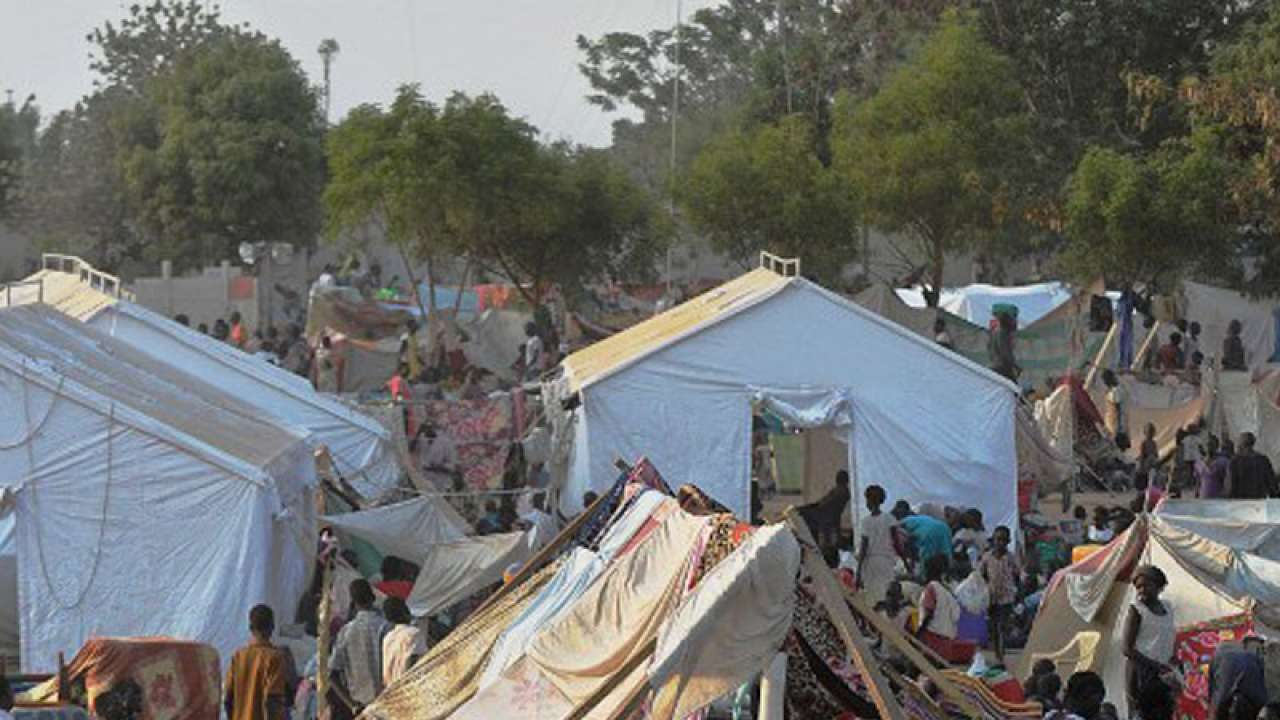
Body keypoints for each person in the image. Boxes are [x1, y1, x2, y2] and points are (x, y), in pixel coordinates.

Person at [330, 579, 391, 718]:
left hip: (361, 707)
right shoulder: (385, 627)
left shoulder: (345, 632)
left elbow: (332, 674)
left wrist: (351, 705)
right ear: (373, 597)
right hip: (386, 703)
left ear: (354, 603)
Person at [1123, 565, 1177, 720]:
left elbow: (1169, 636)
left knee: (1165, 712)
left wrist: (1173, 659)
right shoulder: (1136, 610)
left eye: (1146, 585)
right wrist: (1156, 666)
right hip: (1141, 674)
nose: (1141, 590)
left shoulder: (1168, 607)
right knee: (1143, 714)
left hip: (1163, 674)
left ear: (1159, 586)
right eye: (1138, 586)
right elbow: (1127, 648)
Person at [224, 604, 290, 720]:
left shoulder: (238, 656)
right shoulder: (275, 657)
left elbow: (227, 698)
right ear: (272, 627)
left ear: (250, 627)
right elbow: (272, 700)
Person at [980, 526, 1020, 662]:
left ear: (1008, 541)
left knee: (1002, 625)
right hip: (992, 597)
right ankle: (997, 652)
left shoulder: (1010, 558)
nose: (1000, 543)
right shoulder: (987, 557)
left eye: (1003, 540)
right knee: (994, 625)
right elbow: (982, 574)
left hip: (1006, 597)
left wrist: (1018, 594)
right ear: (994, 540)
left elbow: (1017, 575)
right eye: (998, 539)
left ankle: (1001, 655)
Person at [855, 484, 899, 605]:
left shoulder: (866, 522)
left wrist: (858, 571)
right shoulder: (890, 519)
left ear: (869, 501)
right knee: (886, 595)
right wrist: (905, 562)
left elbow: (863, 548)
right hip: (886, 562)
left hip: (870, 564)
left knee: (872, 598)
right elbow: (897, 544)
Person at [1209, 635, 1268, 720]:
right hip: (1226, 667)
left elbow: (1213, 691)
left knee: (1219, 704)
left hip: (1223, 665)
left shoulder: (1221, 653)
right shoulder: (1255, 657)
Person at [916, 554, 963, 659]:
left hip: (932, 640)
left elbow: (928, 614)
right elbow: (956, 616)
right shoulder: (948, 591)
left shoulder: (931, 588)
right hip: (947, 642)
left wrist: (919, 634)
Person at [799, 471, 852, 551]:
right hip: (829, 516)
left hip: (826, 516)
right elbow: (824, 501)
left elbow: (825, 503)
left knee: (805, 514)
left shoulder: (840, 491)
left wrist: (813, 506)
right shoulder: (842, 491)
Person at [896, 504, 954, 575]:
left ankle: (924, 579)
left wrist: (908, 565)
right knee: (946, 555)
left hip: (929, 533)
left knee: (926, 561)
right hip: (945, 527)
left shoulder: (900, 523)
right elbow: (911, 544)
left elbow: (904, 544)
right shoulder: (921, 518)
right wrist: (912, 562)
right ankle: (948, 576)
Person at [381, 597, 426, 687]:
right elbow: (416, 664)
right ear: (407, 611)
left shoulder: (387, 638)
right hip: (408, 687)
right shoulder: (414, 633)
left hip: (391, 689)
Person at [1228, 432, 1278, 499]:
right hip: (1259, 502)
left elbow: (1231, 486)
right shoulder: (1263, 460)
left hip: (1239, 503)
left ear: (1241, 445)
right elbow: (1272, 484)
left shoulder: (1235, 461)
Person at [411, 424, 457, 492]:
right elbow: (411, 449)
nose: (426, 433)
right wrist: (419, 432)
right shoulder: (422, 438)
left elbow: (451, 467)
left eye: (429, 429)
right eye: (425, 430)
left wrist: (437, 467)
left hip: (440, 482)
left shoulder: (446, 442)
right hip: (424, 481)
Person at [1102, 370, 1128, 441]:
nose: (1116, 378)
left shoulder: (1111, 392)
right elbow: (1117, 409)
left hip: (1111, 421)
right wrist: (1120, 427)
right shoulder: (1115, 392)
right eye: (1114, 377)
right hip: (1115, 423)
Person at [1137, 423, 1159, 491]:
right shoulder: (1144, 443)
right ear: (1145, 433)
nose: (1150, 434)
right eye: (1149, 432)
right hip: (1146, 462)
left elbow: (1156, 454)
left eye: (1152, 432)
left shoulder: (1154, 443)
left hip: (1152, 462)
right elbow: (1142, 455)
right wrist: (1142, 466)